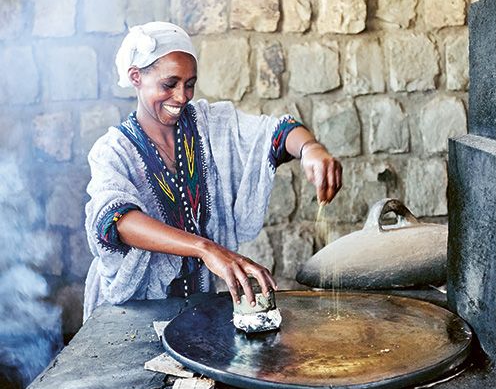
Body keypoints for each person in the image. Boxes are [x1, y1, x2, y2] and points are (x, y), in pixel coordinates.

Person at [83, 21, 344, 319]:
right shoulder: (114, 150)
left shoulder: (210, 125)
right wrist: (205, 249)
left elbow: (276, 133)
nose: (182, 96)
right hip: (128, 312)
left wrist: (311, 149)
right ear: (135, 77)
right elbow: (114, 220)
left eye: (190, 84)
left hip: (195, 305)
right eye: (169, 84)